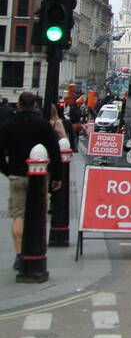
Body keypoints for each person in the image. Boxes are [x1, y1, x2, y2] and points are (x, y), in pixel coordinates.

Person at [0, 92, 63, 271]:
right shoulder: (43, 125)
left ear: (18, 105)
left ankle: (20, 254)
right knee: (38, 215)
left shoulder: (8, 125)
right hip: (40, 179)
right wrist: (57, 177)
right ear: (34, 106)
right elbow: (55, 152)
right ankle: (35, 250)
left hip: (17, 176)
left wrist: (8, 171)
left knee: (18, 215)